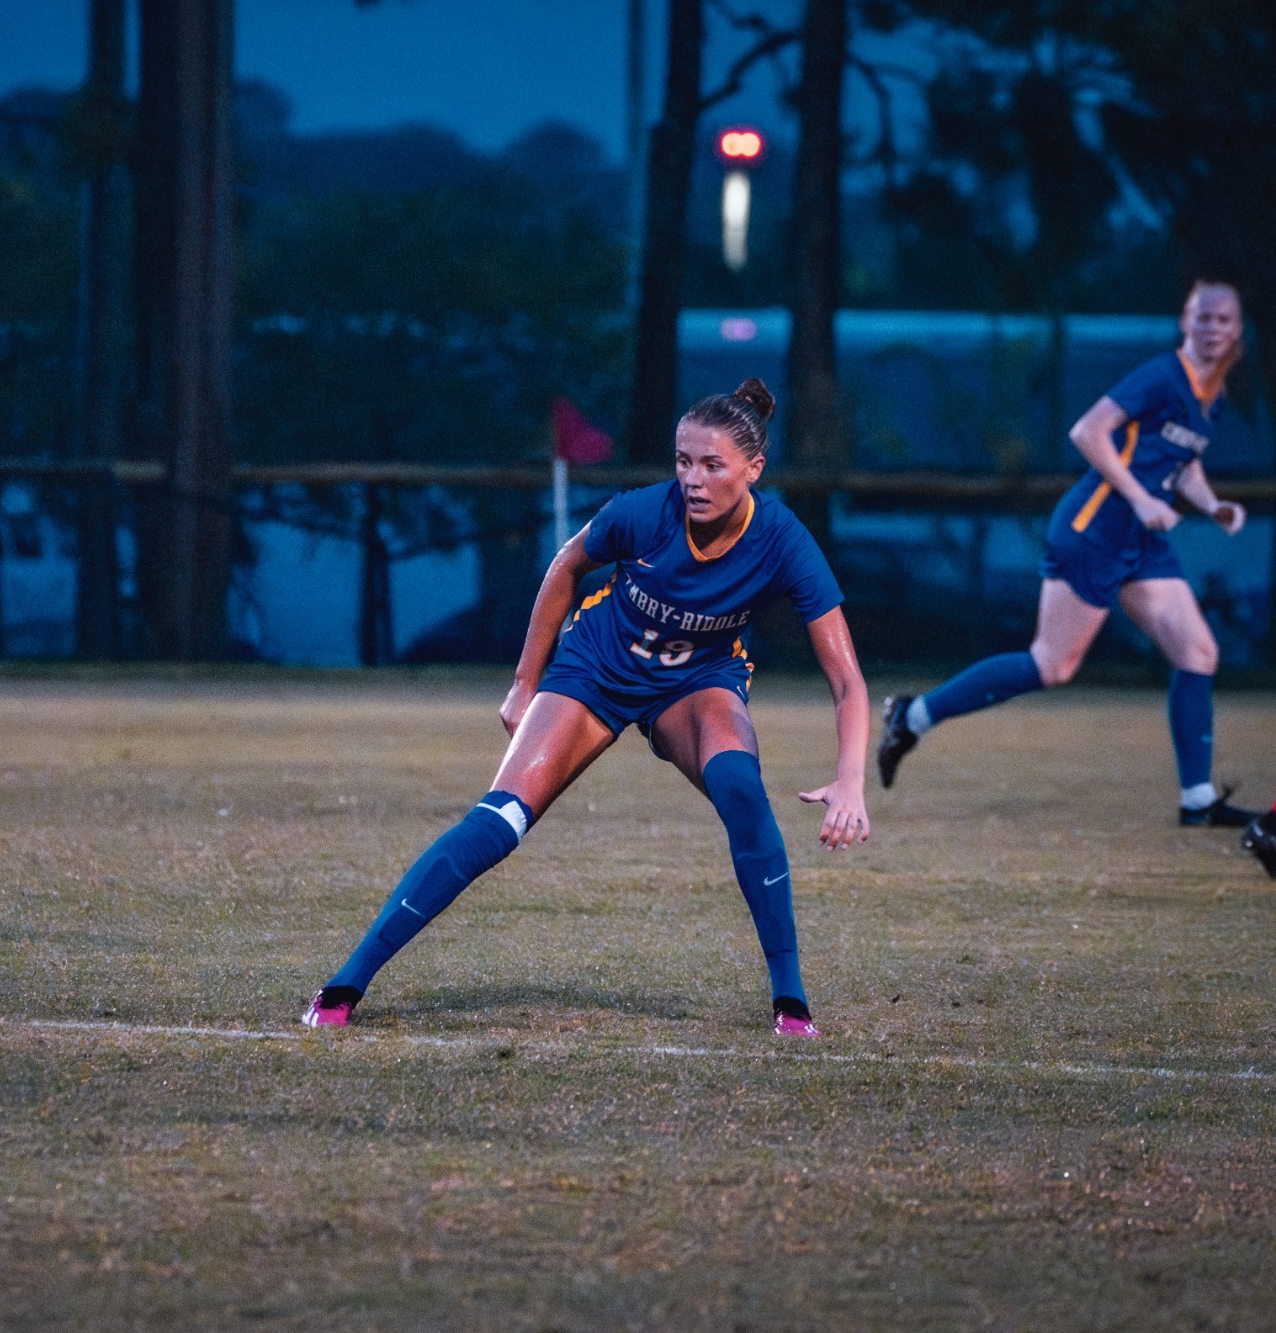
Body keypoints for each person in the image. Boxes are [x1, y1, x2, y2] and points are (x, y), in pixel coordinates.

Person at [302, 379, 871, 1038]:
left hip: (699, 678)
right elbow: (565, 568)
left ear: (754, 469)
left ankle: (790, 1004)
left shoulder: (783, 540)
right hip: (598, 662)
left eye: (712, 464)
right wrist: (524, 682)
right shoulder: (642, 512)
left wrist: (851, 775)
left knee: (742, 790)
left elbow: (848, 679)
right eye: (683, 460)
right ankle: (346, 984)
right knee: (501, 818)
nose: (693, 477)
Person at [877, 280, 1258, 828]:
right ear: (1185, 320)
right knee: (1052, 665)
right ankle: (912, 715)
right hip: (1095, 528)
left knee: (1198, 653)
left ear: (1237, 329)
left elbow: (1184, 461)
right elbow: (1089, 431)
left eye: (1223, 320)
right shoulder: (1162, 375)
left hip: (1140, 539)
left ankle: (1197, 800)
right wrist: (1141, 497)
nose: (1212, 328)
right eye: (1203, 317)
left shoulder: (1212, 393)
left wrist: (1212, 505)